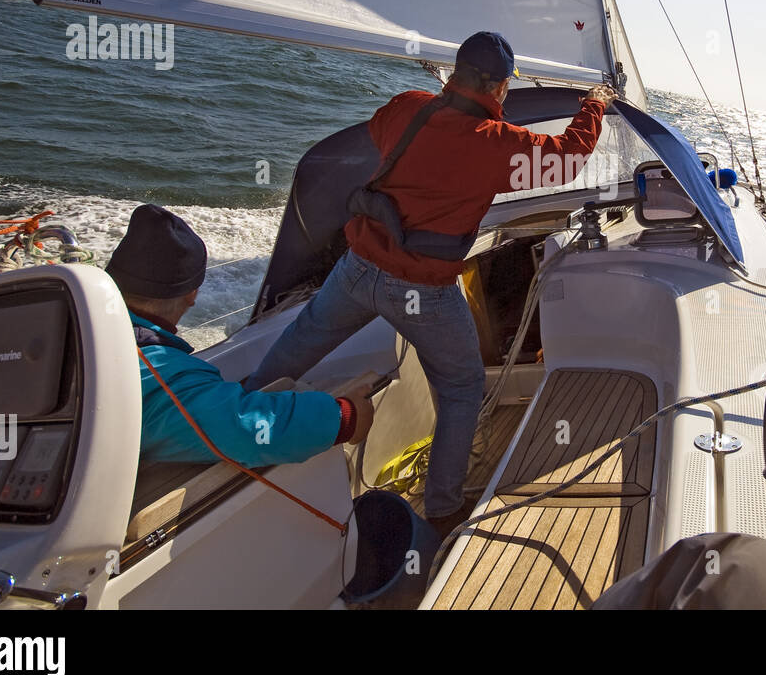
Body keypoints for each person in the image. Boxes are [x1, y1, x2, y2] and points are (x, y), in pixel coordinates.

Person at [246, 31, 617, 533]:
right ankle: (442, 506)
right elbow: (568, 157)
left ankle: (238, 414)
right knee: (462, 387)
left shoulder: (406, 108)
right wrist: (594, 105)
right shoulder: (496, 145)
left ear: (456, 72)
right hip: (423, 290)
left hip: (357, 268)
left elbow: (382, 135)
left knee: (300, 343)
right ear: (501, 86)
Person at [106, 204, 374, 467]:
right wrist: (343, 417)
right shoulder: (161, 374)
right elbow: (246, 428)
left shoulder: (76, 326)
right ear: (192, 295)